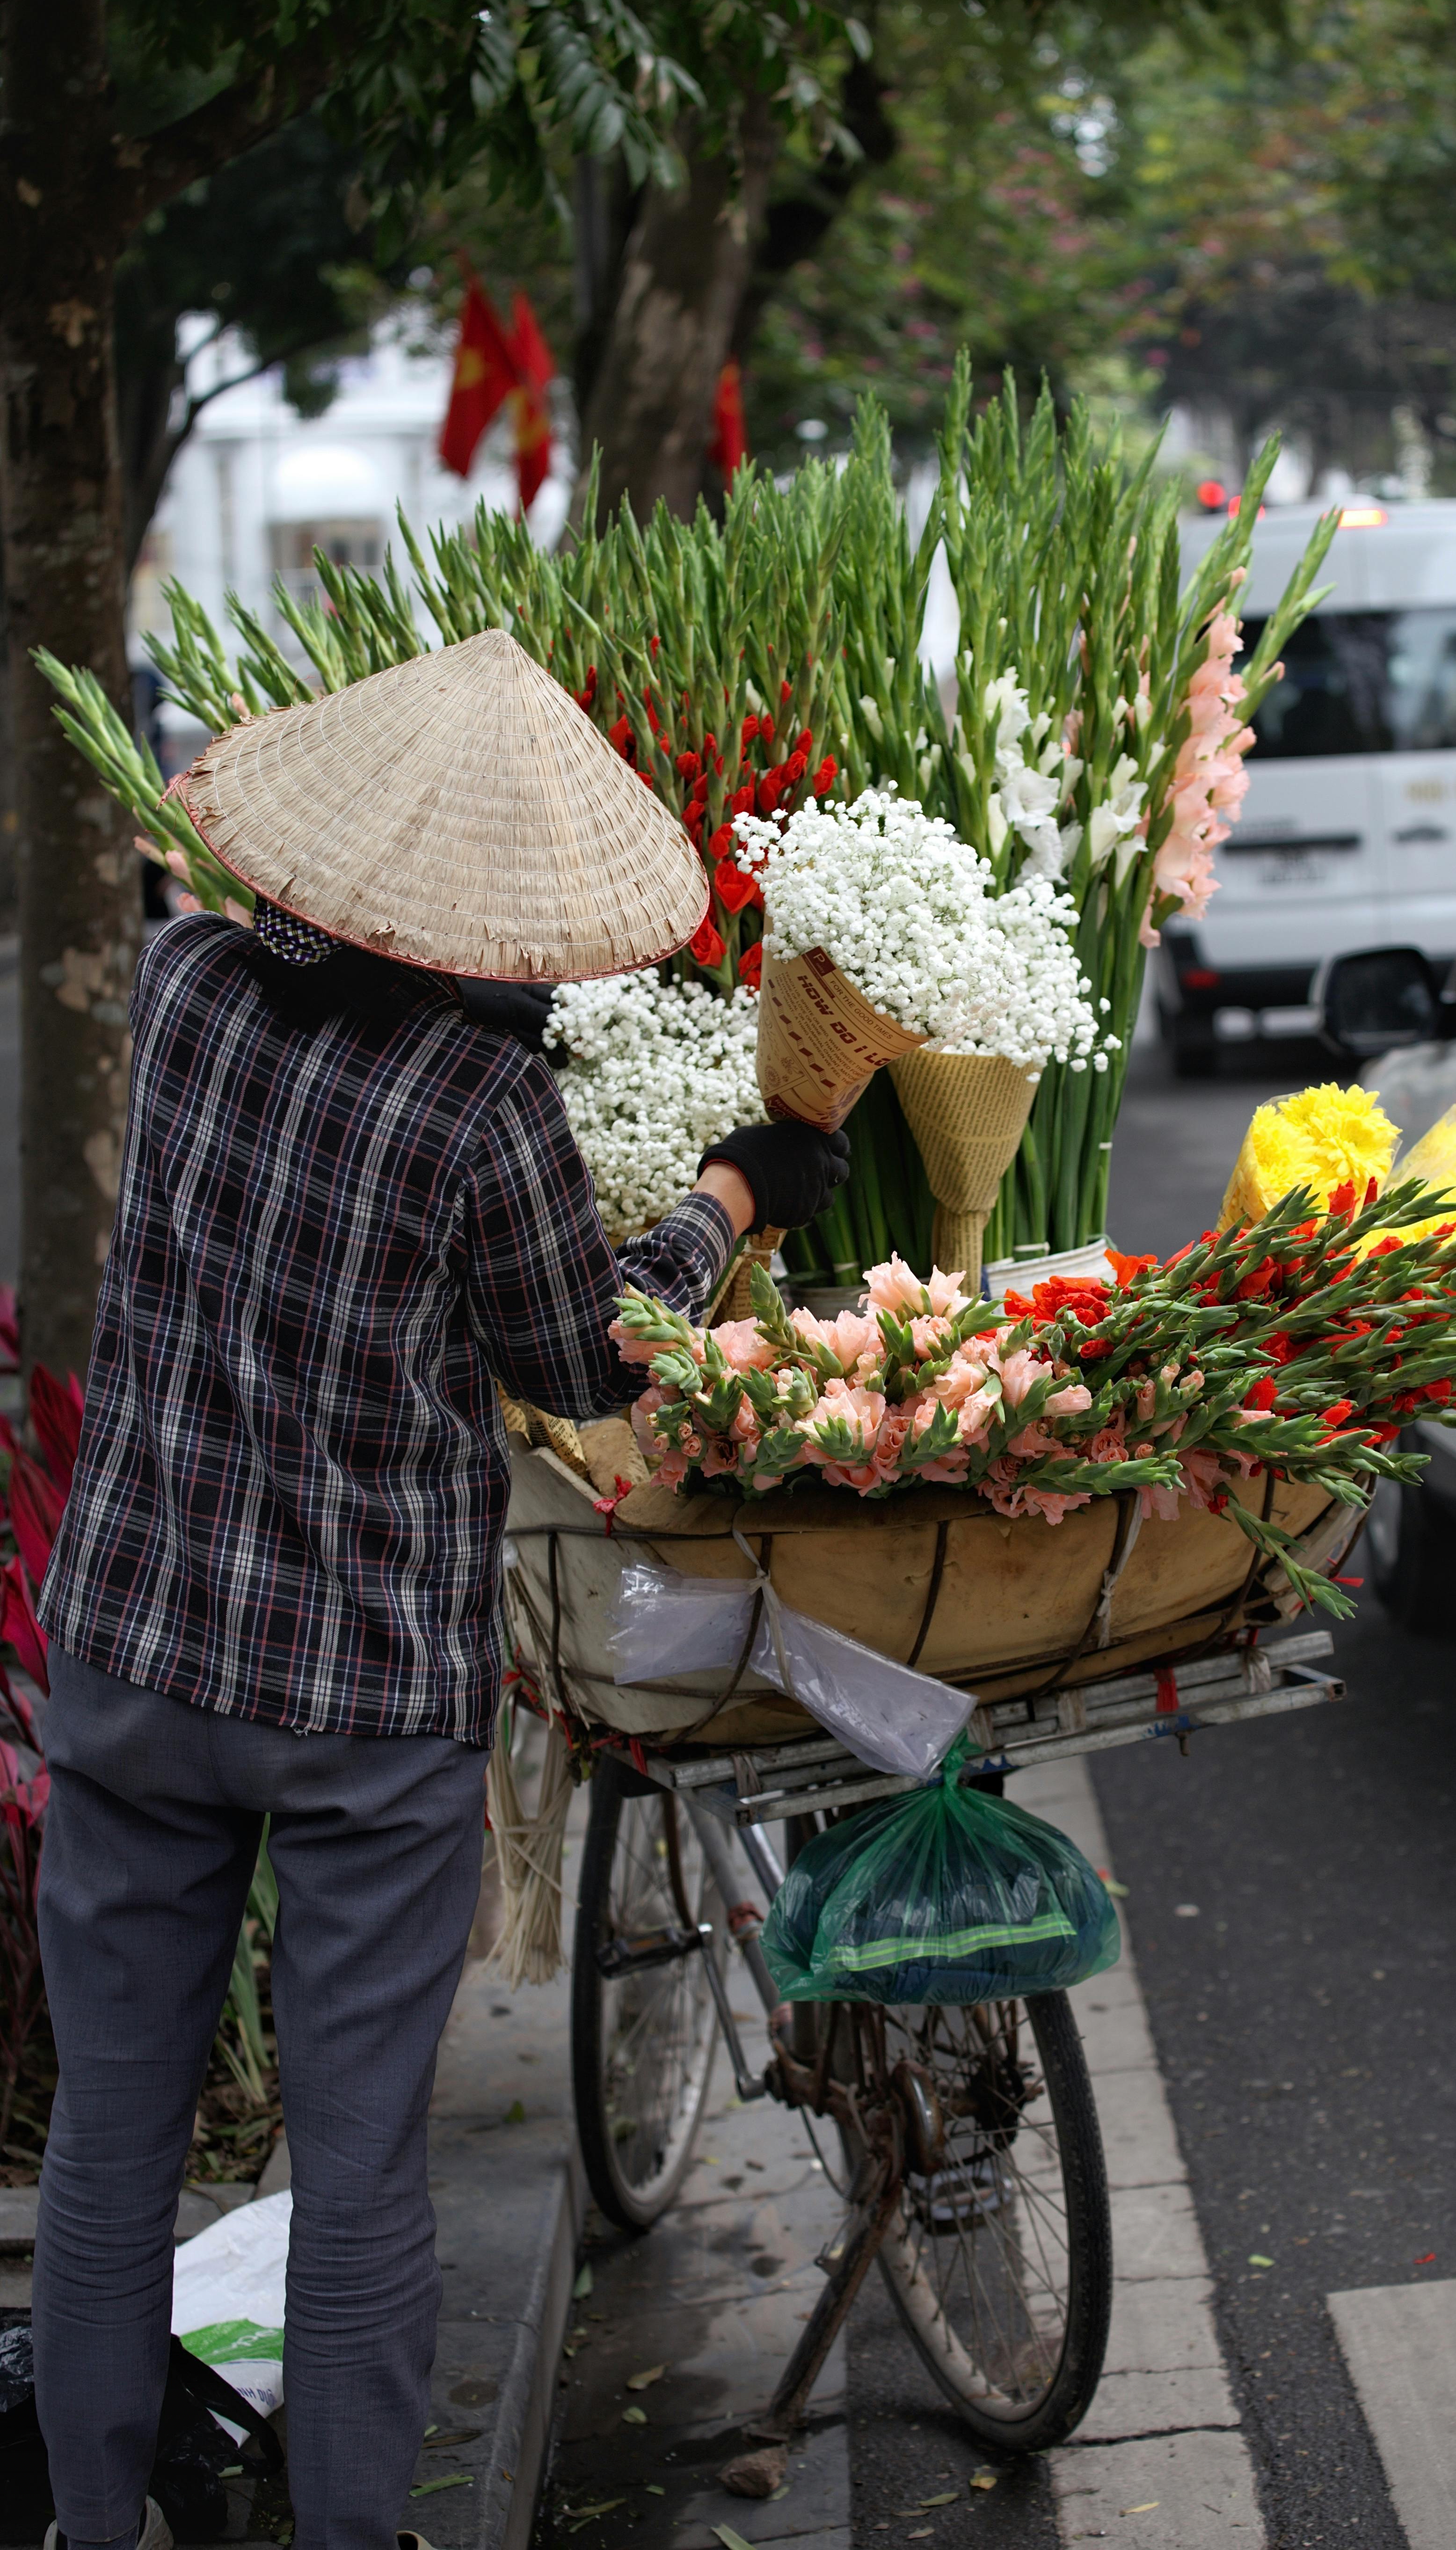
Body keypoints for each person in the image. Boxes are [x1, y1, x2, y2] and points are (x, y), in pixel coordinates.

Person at [29, 632, 848, 2550]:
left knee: (110, 2145)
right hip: (358, 1708)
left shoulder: (180, 991)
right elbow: (587, 1358)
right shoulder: (478, 1112)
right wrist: (730, 1199)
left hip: (138, 1652)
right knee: (364, 2164)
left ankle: (82, 2532)